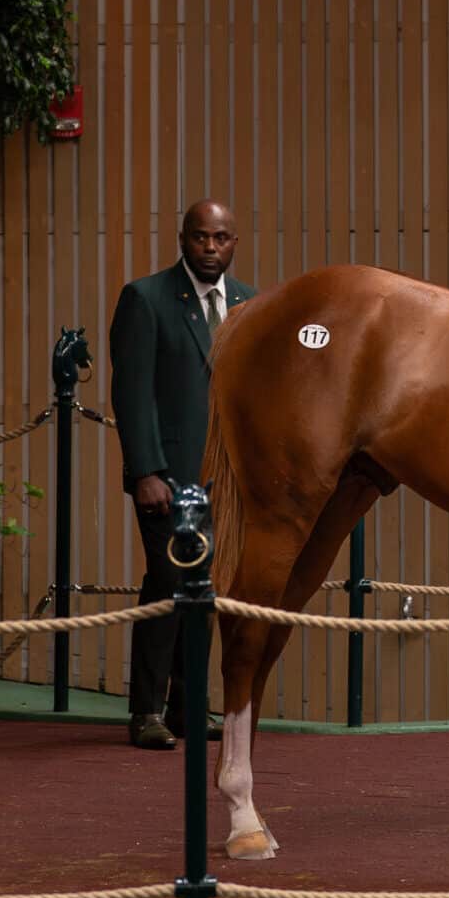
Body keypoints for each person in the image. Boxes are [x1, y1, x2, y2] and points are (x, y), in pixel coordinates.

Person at [110, 199, 255, 750]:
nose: (210, 248)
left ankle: (188, 708)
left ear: (235, 242)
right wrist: (146, 471)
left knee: (207, 591)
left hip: (230, 480)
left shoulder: (248, 303)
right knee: (167, 584)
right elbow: (132, 394)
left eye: (221, 238)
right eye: (200, 237)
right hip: (169, 478)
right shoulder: (145, 299)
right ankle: (146, 710)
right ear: (183, 239)